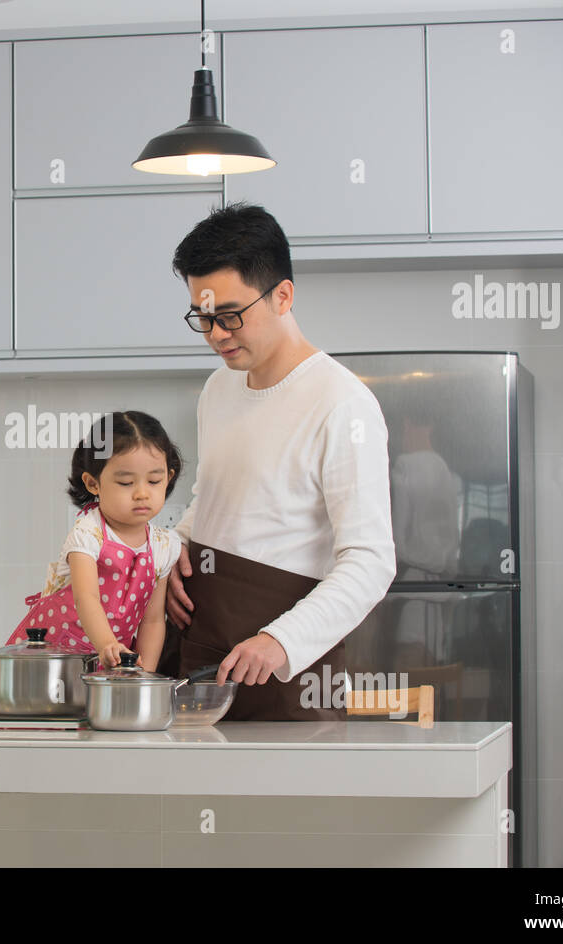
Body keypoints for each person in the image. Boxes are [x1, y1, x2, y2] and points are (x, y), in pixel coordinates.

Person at [165, 202, 396, 720]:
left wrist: (279, 640)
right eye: (202, 318)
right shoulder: (218, 388)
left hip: (288, 675)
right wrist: (175, 550)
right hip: (202, 649)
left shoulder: (342, 403)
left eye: (229, 315)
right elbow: (214, 497)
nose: (215, 335)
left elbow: (370, 562)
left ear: (283, 295)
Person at [5, 411, 183, 672]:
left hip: (108, 662)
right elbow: (86, 598)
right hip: (51, 660)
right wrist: (108, 644)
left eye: (154, 480)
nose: (142, 493)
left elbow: (153, 621)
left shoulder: (164, 545)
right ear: (93, 483)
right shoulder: (88, 534)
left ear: (168, 477)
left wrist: (144, 678)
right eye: (126, 482)